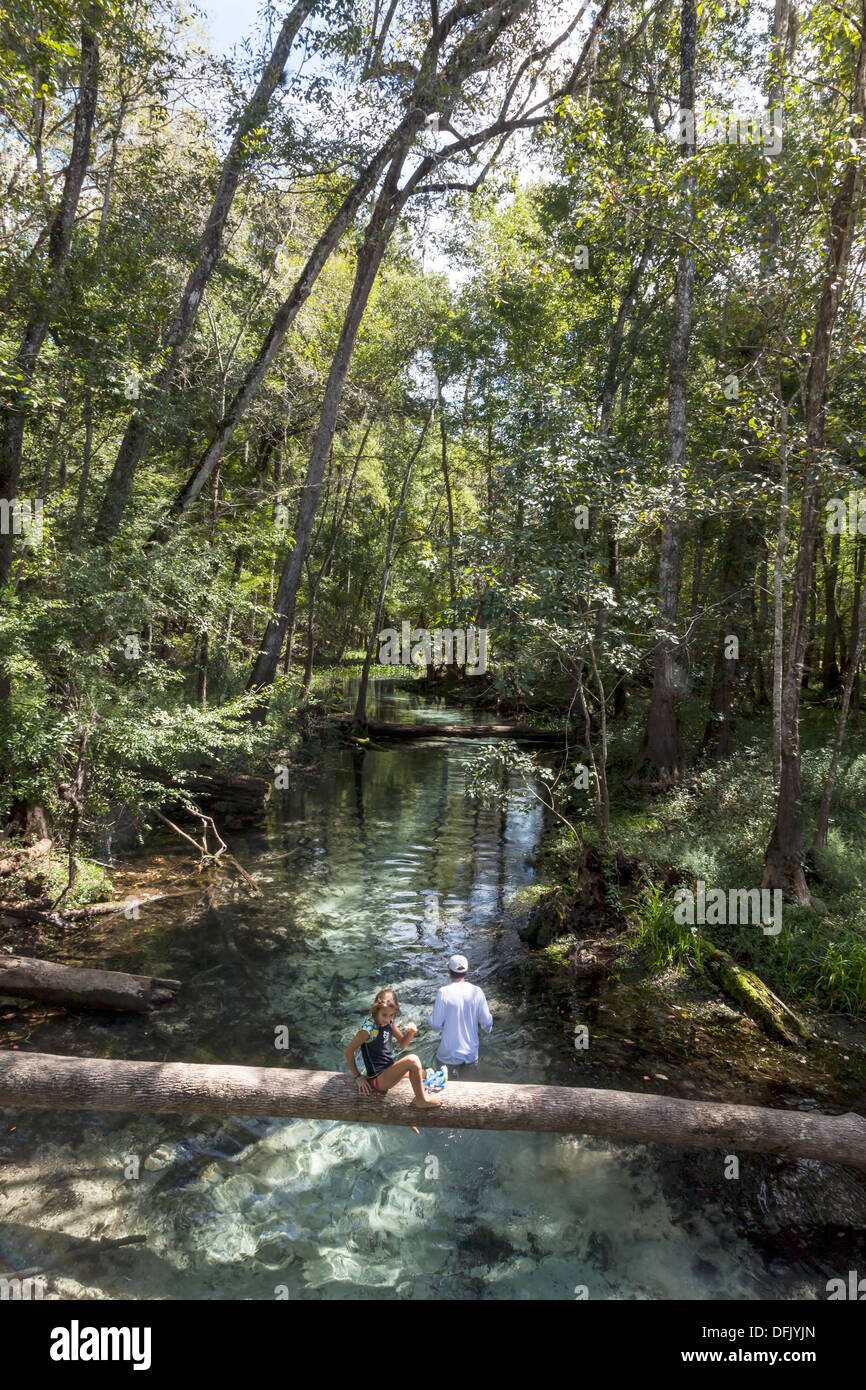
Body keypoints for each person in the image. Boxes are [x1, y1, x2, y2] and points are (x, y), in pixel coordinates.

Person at [344, 987, 442, 1109]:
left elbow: (403, 1042)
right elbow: (348, 1051)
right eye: (384, 1015)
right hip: (378, 1079)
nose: (387, 1019)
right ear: (376, 1010)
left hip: (389, 1070)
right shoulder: (368, 1030)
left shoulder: (389, 1022)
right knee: (413, 1060)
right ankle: (421, 1101)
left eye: (391, 1015)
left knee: (424, 1073)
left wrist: (411, 1032)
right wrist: (358, 1077)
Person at [428, 955, 493, 1072]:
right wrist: (487, 1029)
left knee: (443, 1083)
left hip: (448, 1055)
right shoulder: (477, 991)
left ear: (449, 971)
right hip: (470, 1054)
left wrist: (429, 1018)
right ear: (467, 971)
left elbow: (436, 1026)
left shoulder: (443, 992)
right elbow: (487, 1023)